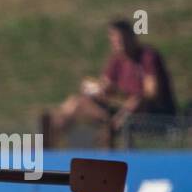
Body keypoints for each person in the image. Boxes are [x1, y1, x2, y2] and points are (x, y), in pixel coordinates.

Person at [47, 20, 178, 147]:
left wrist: (119, 95)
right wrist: (95, 89)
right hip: (119, 110)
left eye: (121, 40)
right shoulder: (117, 60)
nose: (118, 45)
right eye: (114, 41)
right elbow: (105, 87)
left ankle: (106, 142)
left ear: (132, 38)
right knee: (75, 103)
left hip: (151, 113)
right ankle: (47, 147)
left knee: (135, 102)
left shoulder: (147, 56)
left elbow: (151, 93)